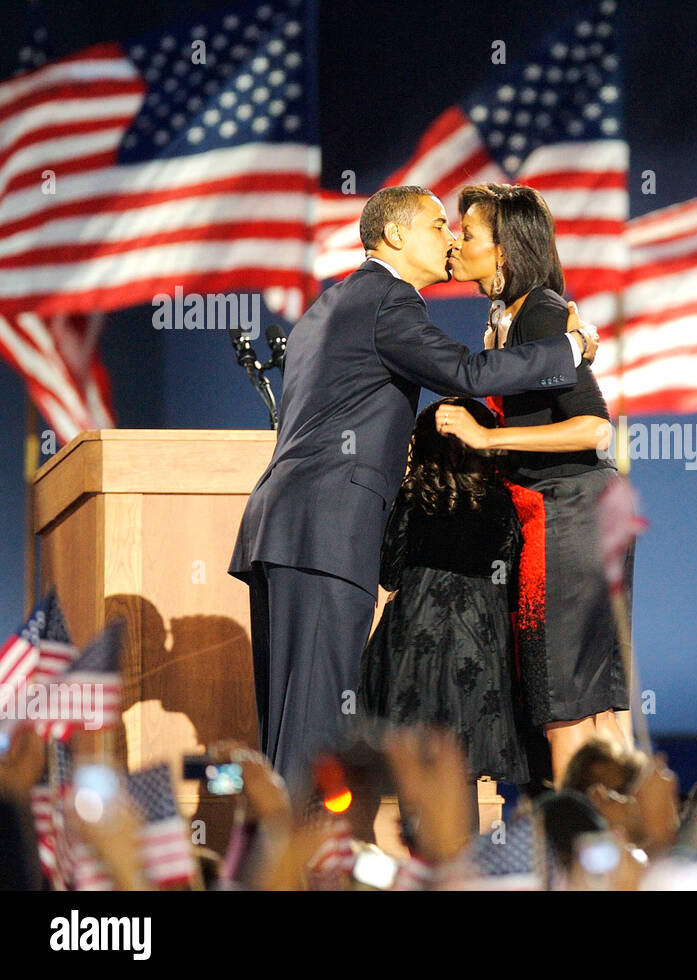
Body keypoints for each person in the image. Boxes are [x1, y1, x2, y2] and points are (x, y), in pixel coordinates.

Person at [228, 184, 598, 793]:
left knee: (287, 730)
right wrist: (568, 348)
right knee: (315, 735)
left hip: (284, 531)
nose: (451, 238)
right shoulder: (388, 300)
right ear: (395, 236)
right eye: (436, 226)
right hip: (324, 534)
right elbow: (465, 373)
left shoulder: (331, 303)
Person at [438, 182, 632, 784]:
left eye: (467, 234)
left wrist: (486, 438)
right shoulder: (511, 315)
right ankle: (636, 846)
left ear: (503, 251)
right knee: (599, 702)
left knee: (566, 702)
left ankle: (581, 857)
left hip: (569, 512)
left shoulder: (542, 314)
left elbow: (594, 427)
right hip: (578, 512)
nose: (454, 241)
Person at [359, 398, 529, 786]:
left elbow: (389, 574)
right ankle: (461, 847)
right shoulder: (502, 504)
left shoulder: (413, 498)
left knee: (412, 767)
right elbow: (511, 576)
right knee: (462, 769)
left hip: (415, 634)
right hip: (479, 639)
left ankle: (414, 845)